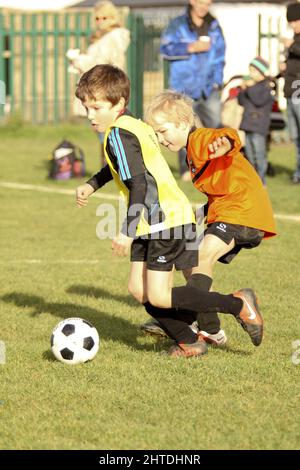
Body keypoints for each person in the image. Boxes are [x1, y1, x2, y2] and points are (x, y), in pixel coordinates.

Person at [74, 64, 264, 358]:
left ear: (119, 103)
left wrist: (125, 233)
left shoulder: (119, 134)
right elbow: (124, 168)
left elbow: (138, 184)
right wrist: (92, 184)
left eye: (96, 107)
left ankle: (236, 305)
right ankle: (192, 337)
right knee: (140, 291)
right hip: (155, 222)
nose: (89, 115)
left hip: (165, 222)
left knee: (160, 295)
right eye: (86, 108)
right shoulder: (133, 126)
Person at [142, 90, 276, 346]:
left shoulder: (201, 139)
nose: (160, 139)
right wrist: (204, 210)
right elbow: (221, 183)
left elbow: (228, 136)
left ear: (183, 123)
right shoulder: (191, 152)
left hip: (242, 210)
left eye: (163, 131)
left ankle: (193, 316)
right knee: (189, 261)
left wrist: (224, 142)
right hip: (229, 209)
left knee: (201, 256)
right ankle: (211, 329)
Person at [160, 0, 225, 181]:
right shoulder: (177, 24)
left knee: (215, 127)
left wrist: (216, 82)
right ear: (192, 1)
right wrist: (190, 47)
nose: (205, 6)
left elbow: (220, 56)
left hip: (208, 88)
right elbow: (165, 49)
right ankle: (187, 169)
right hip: (183, 88)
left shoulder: (214, 26)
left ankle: (216, 168)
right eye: (202, 2)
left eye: (208, 3)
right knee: (184, 129)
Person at [66, 1, 130, 167]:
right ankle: (109, 165)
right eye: (97, 18)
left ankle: (113, 165)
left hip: (106, 87)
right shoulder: (101, 37)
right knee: (102, 130)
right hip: (99, 86)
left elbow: (104, 63)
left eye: (104, 17)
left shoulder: (115, 36)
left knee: (108, 130)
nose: (100, 21)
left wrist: (80, 60)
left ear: (113, 17)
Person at [237, 57, 273, 185]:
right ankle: (254, 179)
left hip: (259, 126)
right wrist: (242, 90)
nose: (251, 74)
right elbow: (241, 101)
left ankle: (261, 180)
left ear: (261, 73)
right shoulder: (251, 87)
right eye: (250, 70)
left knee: (259, 154)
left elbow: (258, 100)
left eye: (254, 71)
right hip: (248, 124)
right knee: (250, 154)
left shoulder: (266, 86)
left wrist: (249, 88)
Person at [282, 2, 300, 184]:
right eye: (291, 21)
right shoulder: (295, 38)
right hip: (291, 91)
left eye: (296, 20)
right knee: (295, 137)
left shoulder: (295, 41)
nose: (293, 24)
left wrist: (292, 45)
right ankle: (298, 172)